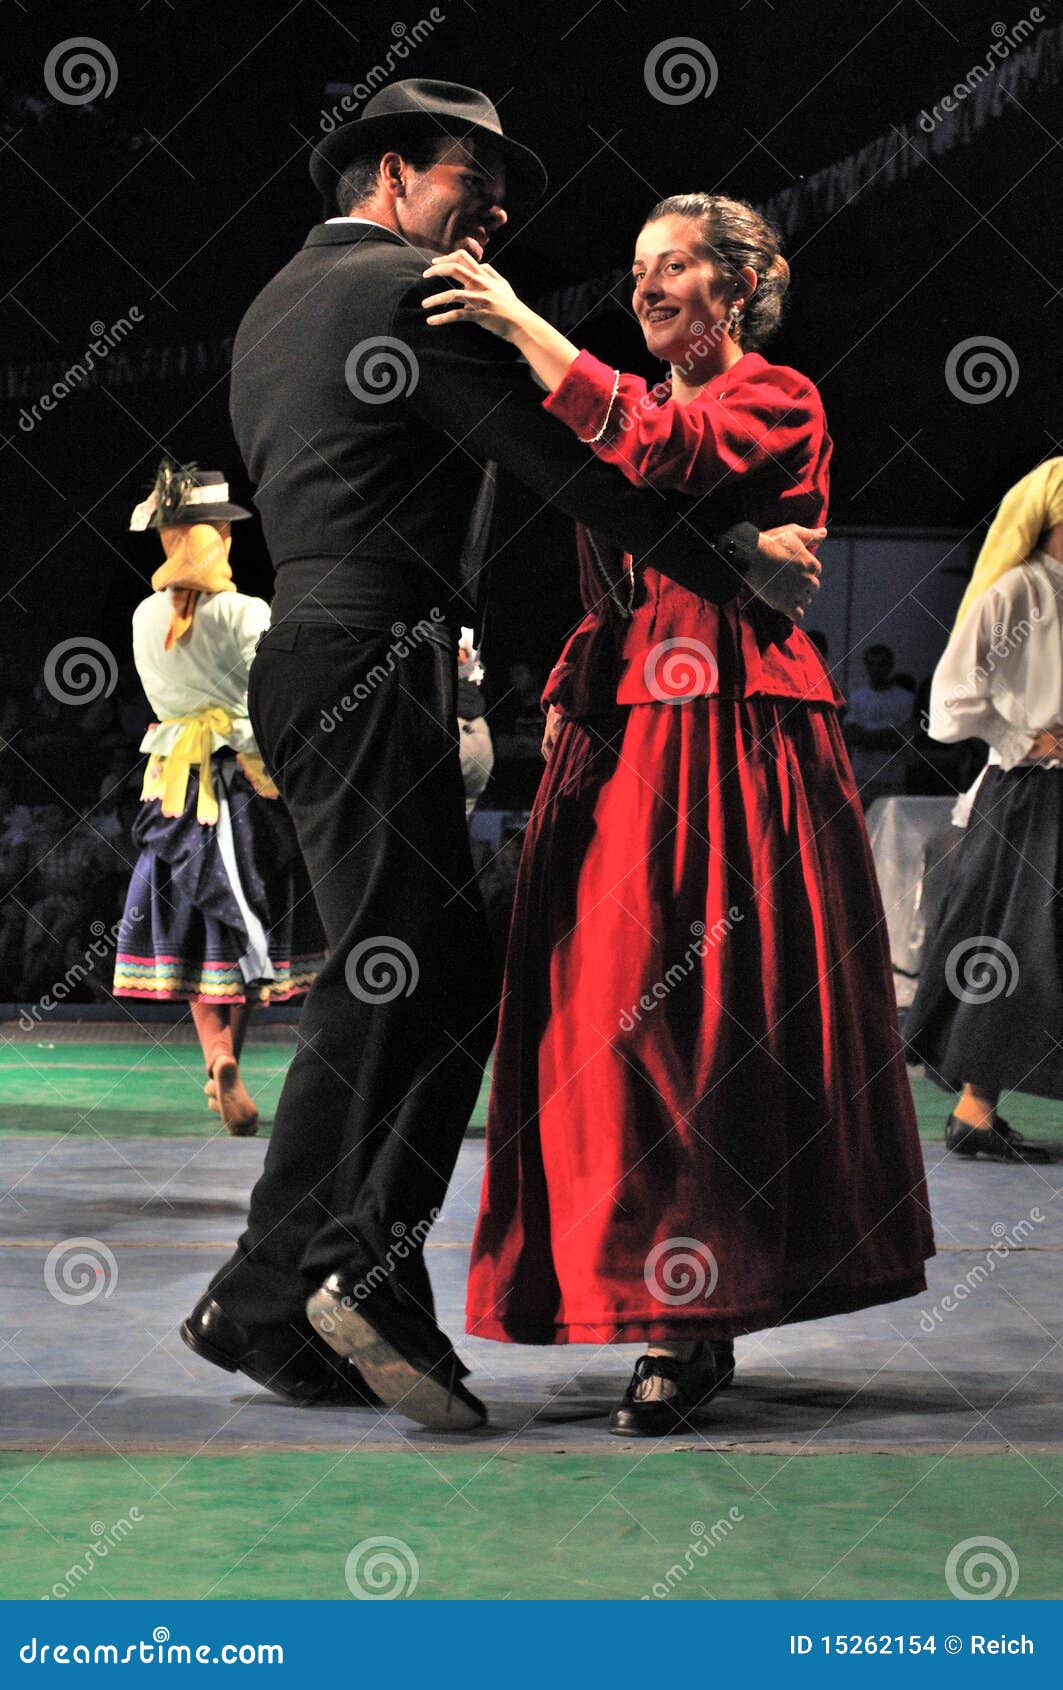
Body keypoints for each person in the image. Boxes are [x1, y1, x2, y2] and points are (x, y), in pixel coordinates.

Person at [186, 79, 829, 1434]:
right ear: (389, 172)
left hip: (322, 662)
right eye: (471, 177)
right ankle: (291, 1283)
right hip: (369, 666)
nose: (496, 211)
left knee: (442, 965)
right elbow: (561, 465)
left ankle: (314, 1283)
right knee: (388, 971)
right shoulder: (400, 297)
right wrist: (725, 562)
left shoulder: (272, 304)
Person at [423, 191, 934, 1434]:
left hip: (729, 727)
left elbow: (666, 449)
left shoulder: (779, 394)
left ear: (745, 288)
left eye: (677, 269)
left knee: (709, 1019)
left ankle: (687, 1314)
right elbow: (629, 454)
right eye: (638, 265)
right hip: (626, 725)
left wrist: (523, 325)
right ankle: (642, 1291)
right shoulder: (648, 404)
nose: (647, 285)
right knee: (602, 1020)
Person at [114, 459, 325, 1139]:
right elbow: (273, 694)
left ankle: (218, 1057)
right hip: (239, 786)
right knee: (243, 929)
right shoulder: (247, 612)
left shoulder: (145, 616)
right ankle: (226, 1057)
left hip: (172, 791)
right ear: (219, 539)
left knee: (197, 927)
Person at [905, 459, 1063, 1164]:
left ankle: (976, 1109)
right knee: (1012, 944)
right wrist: (1024, 739)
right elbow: (948, 701)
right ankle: (972, 1107)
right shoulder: (1018, 591)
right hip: (1032, 795)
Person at [843, 644, 915, 809]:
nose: (876, 669)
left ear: (890, 666)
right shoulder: (857, 697)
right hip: (862, 776)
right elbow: (852, 736)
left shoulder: (905, 698)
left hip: (891, 777)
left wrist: (868, 736)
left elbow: (901, 738)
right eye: (871, 664)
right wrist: (886, 735)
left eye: (881, 664)